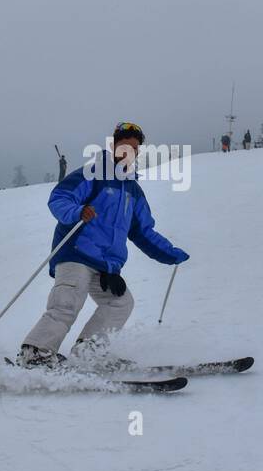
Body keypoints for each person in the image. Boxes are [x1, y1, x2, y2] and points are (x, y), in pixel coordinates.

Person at [19, 121, 189, 367]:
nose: (128, 152)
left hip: (106, 267)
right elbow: (59, 197)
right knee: (68, 301)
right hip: (76, 252)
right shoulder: (93, 174)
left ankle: (89, 352)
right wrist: (77, 212)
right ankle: (36, 352)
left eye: (134, 149)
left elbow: (143, 231)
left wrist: (170, 254)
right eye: (124, 146)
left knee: (120, 303)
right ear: (113, 145)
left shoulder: (133, 191)